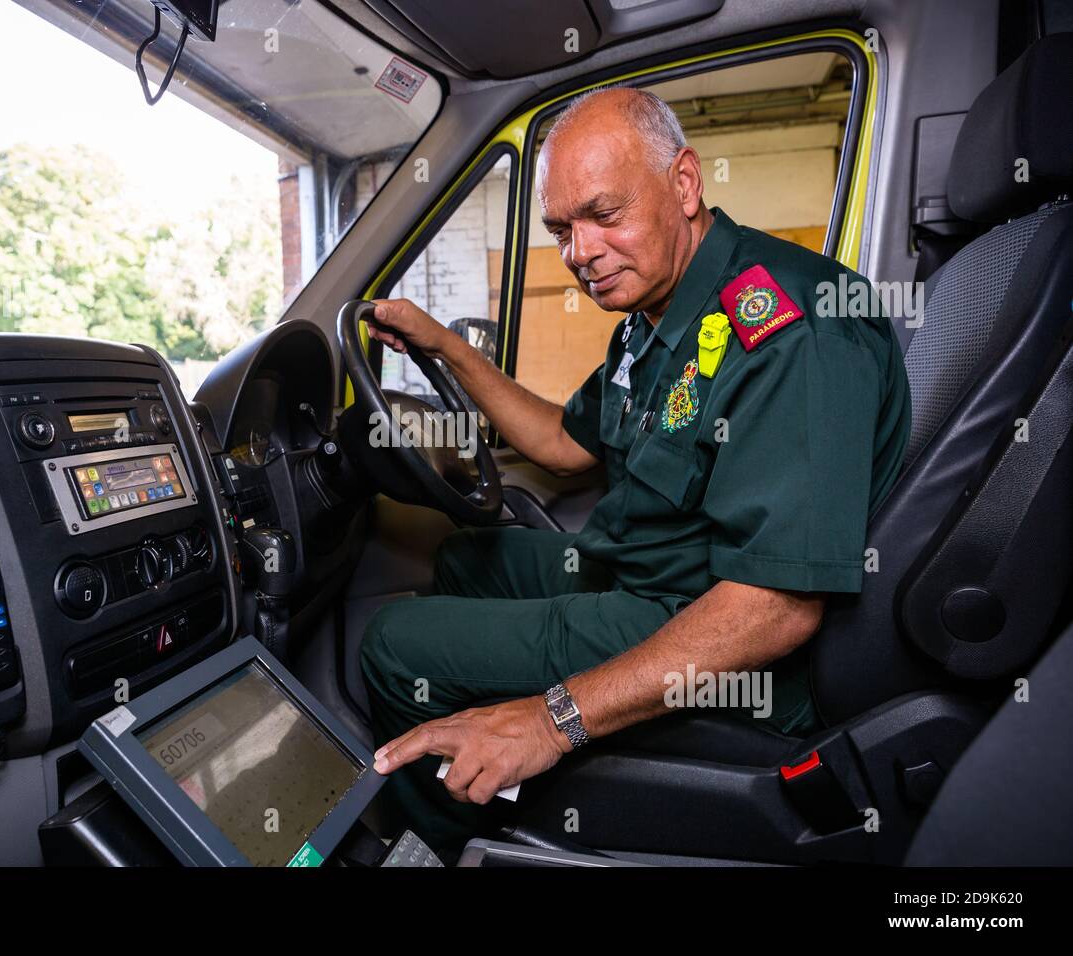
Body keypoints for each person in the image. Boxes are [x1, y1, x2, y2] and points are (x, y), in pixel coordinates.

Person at [359, 86, 911, 850]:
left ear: (685, 183)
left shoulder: (795, 328)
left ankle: (458, 846)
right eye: (561, 229)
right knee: (460, 555)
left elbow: (778, 608)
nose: (580, 254)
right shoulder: (655, 314)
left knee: (393, 644)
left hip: (708, 623)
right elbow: (562, 442)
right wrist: (446, 348)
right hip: (639, 571)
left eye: (603, 216)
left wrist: (551, 720)